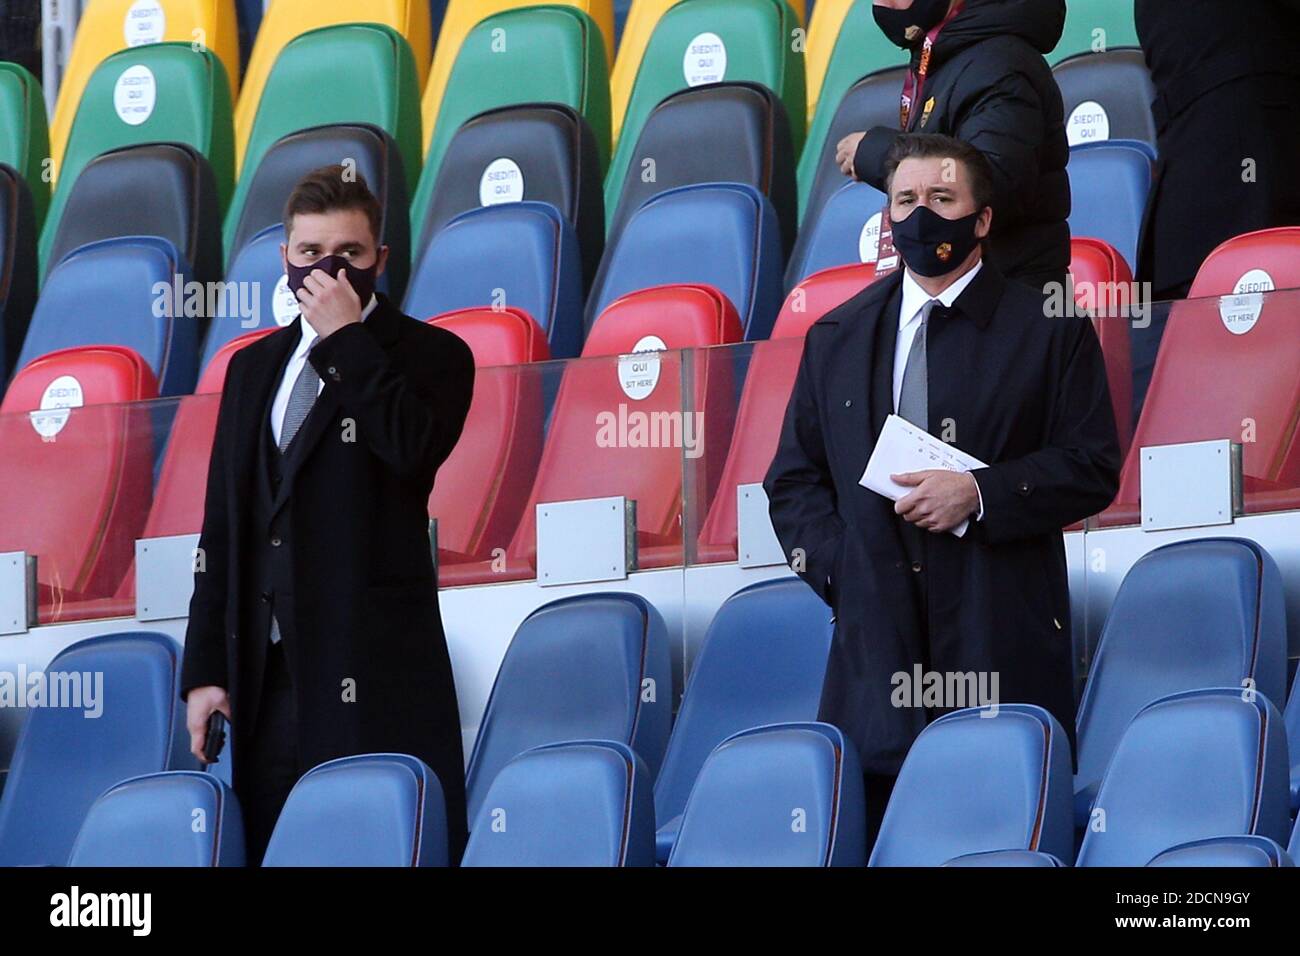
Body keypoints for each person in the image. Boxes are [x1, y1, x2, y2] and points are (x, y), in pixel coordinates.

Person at [765, 134, 1120, 846]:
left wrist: (980, 493)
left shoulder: (1049, 328)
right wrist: (843, 569)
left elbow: (1092, 465)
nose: (921, 215)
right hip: (875, 660)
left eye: (942, 199)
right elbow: (793, 482)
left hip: (1001, 636)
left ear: (981, 219)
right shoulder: (836, 336)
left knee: (998, 839)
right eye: (905, 200)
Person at [180, 166, 475, 863]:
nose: (329, 269)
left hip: (373, 672)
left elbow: (409, 451)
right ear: (285, 259)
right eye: (311, 254)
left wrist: (346, 338)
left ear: (383, 259)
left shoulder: (435, 356)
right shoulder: (251, 370)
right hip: (268, 679)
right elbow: (223, 527)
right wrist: (205, 671)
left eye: (350, 254)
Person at [835, 0, 1070, 289]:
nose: (882, 3)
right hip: (958, 298)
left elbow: (993, 186)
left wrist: (880, 154)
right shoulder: (945, 57)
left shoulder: (999, 63)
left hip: (1006, 307)